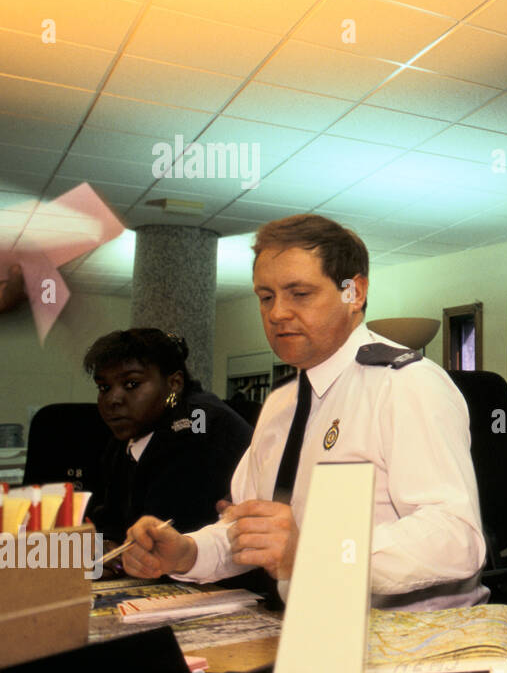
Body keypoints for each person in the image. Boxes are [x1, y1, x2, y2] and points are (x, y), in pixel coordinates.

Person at [123, 214, 486, 610]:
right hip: (305, 633)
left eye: (299, 294)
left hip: (409, 642)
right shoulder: (281, 405)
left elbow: (456, 539)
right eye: (266, 297)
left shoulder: (405, 385)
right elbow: (247, 531)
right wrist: (188, 553)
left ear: (354, 292)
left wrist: (317, 553)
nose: (277, 313)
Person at [84, 329, 252, 551]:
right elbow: (110, 523)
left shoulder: (199, 423)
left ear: (174, 384)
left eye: (132, 384)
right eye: (104, 387)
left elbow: (168, 534)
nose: (113, 399)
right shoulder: (127, 436)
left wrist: (113, 553)